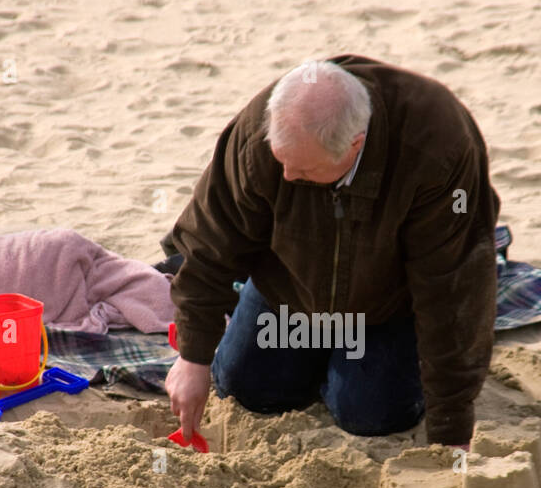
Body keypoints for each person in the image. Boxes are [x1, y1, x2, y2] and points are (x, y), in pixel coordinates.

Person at [163, 54, 500, 451]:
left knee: (369, 413)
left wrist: (452, 428)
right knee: (246, 388)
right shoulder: (259, 135)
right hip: (289, 288)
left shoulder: (439, 145)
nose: (287, 176)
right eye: (281, 162)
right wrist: (193, 356)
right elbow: (208, 244)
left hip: (387, 304)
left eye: (304, 172)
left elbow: (454, 287)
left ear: (355, 146)